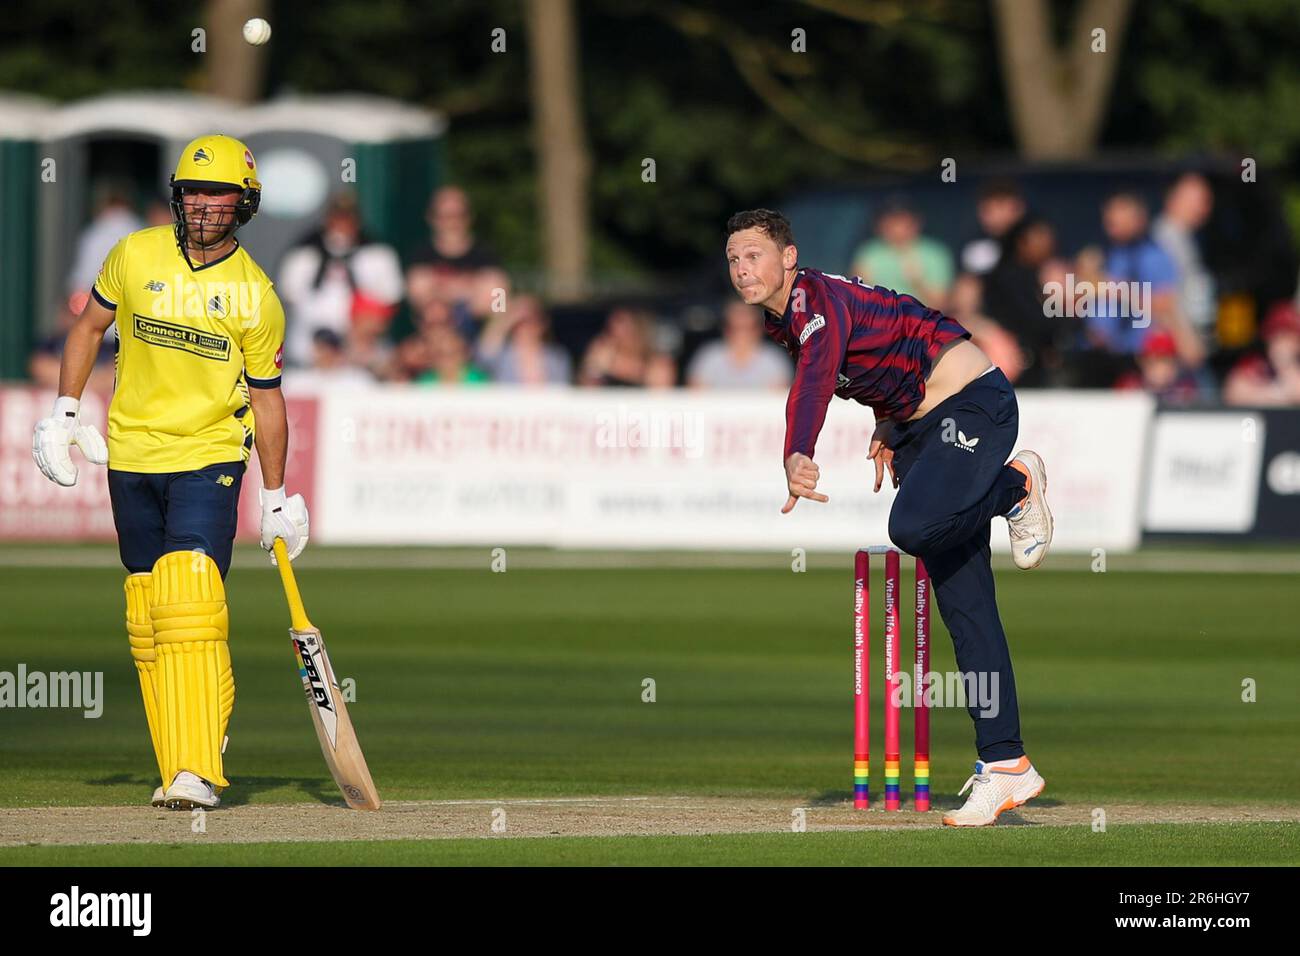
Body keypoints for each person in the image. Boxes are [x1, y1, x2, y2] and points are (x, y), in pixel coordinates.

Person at [725, 208, 1051, 827]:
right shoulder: (790, 318)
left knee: (910, 527)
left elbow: (817, 379)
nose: (743, 269)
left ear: (789, 258)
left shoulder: (816, 304)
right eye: (735, 259)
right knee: (967, 607)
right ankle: (1007, 764)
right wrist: (890, 422)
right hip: (924, 428)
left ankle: (1016, 486)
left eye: (755, 255)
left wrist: (799, 451)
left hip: (975, 404)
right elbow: (884, 353)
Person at [31, 134, 309, 812]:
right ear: (176, 196)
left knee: (191, 598)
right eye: (194, 191)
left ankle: (197, 769)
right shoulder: (134, 253)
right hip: (130, 454)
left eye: (220, 194)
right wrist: (66, 411)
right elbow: (88, 328)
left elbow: (268, 401)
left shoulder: (255, 296)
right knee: (151, 611)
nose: (205, 206)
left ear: (245, 206)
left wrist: (274, 494)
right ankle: (178, 763)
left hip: (208, 456)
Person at [277, 191, 404, 367]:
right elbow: (290, 296)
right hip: (310, 352)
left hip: (364, 354)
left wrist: (364, 329)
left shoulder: (378, 255)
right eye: (337, 218)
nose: (342, 225)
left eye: (348, 218)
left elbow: (390, 300)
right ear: (327, 219)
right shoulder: (304, 254)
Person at [850, 197, 954, 311]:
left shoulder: (935, 254)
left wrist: (917, 282)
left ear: (916, 223)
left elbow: (941, 305)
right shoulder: (869, 253)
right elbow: (854, 298)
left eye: (901, 222)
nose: (896, 228)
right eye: (891, 222)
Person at [686, 301, 792, 390]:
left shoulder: (774, 360)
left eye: (748, 327)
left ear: (759, 330)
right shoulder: (708, 358)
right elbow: (695, 401)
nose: (741, 335)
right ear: (725, 329)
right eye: (735, 328)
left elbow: (779, 405)